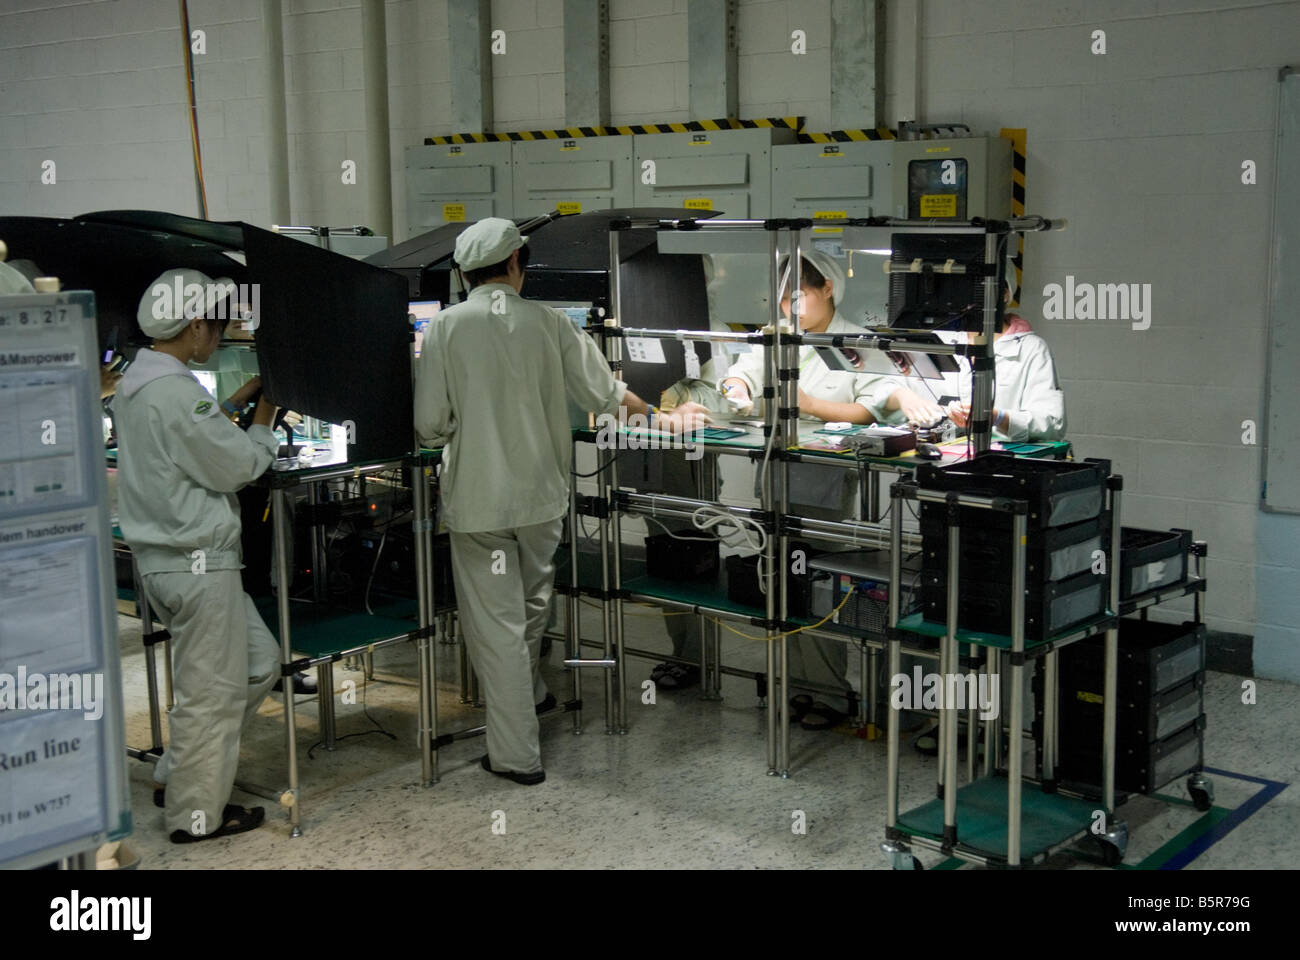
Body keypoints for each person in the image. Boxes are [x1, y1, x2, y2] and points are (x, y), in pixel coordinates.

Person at [414, 218, 708, 785]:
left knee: (496, 626)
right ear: (519, 263)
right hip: (542, 499)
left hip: (479, 504)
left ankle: (516, 756)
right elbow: (605, 394)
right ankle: (535, 696)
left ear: (462, 273)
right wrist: (669, 420)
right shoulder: (550, 324)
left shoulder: (447, 327)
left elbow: (430, 425)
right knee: (528, 611)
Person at [718, 250, 935, 730]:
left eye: (797, 295)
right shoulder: (778, 336)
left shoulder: (856, 341)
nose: (786, 306)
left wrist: (810, 404)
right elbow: (744, 371)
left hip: (824, 479)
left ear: (828, 290)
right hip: (775, 472)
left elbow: (871, 409)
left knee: (816, 581)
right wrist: (735, 385)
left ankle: (829, 693)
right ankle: (796, 684)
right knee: (778, 578)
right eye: (779, 296)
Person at [114, 267, 281, 842]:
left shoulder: (139, 381)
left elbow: (185, 448)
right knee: (209, 698)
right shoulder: (177, 393)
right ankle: (194, 817)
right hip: (197, 566)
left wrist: (234, 403)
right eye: (215, 324)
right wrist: (265, 416)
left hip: (167, 564)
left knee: (260, 663)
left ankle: (176, 772)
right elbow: (238, 466)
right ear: (192, 326)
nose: (221, 333)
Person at [944, 258, 1067, 442]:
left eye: (978, 287)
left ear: (1005, 294)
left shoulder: (1031, 349)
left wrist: (998, 417)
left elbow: (1051, 424)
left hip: (1005, 459)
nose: (969, 295)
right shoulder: (943, 340)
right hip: (946, 455)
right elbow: (893, 388)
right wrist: (903, 399)